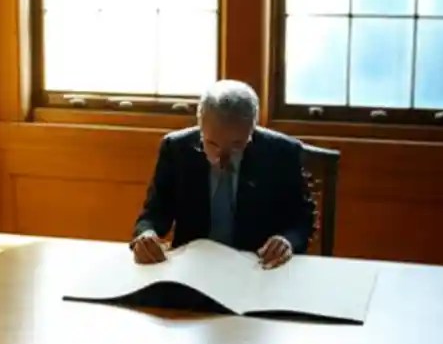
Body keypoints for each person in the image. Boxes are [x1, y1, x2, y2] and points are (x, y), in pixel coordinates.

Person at [131, 80, 315, 269]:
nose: (223, 158)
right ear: (200, 127)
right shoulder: (177, 149)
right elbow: (154, 213)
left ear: (252, 129)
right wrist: (146, 235)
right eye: (212, 144)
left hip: (256, 267)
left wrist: (287, 241)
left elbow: (302, 219)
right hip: (193, 270)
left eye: (236, 145)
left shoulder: (282, 152)